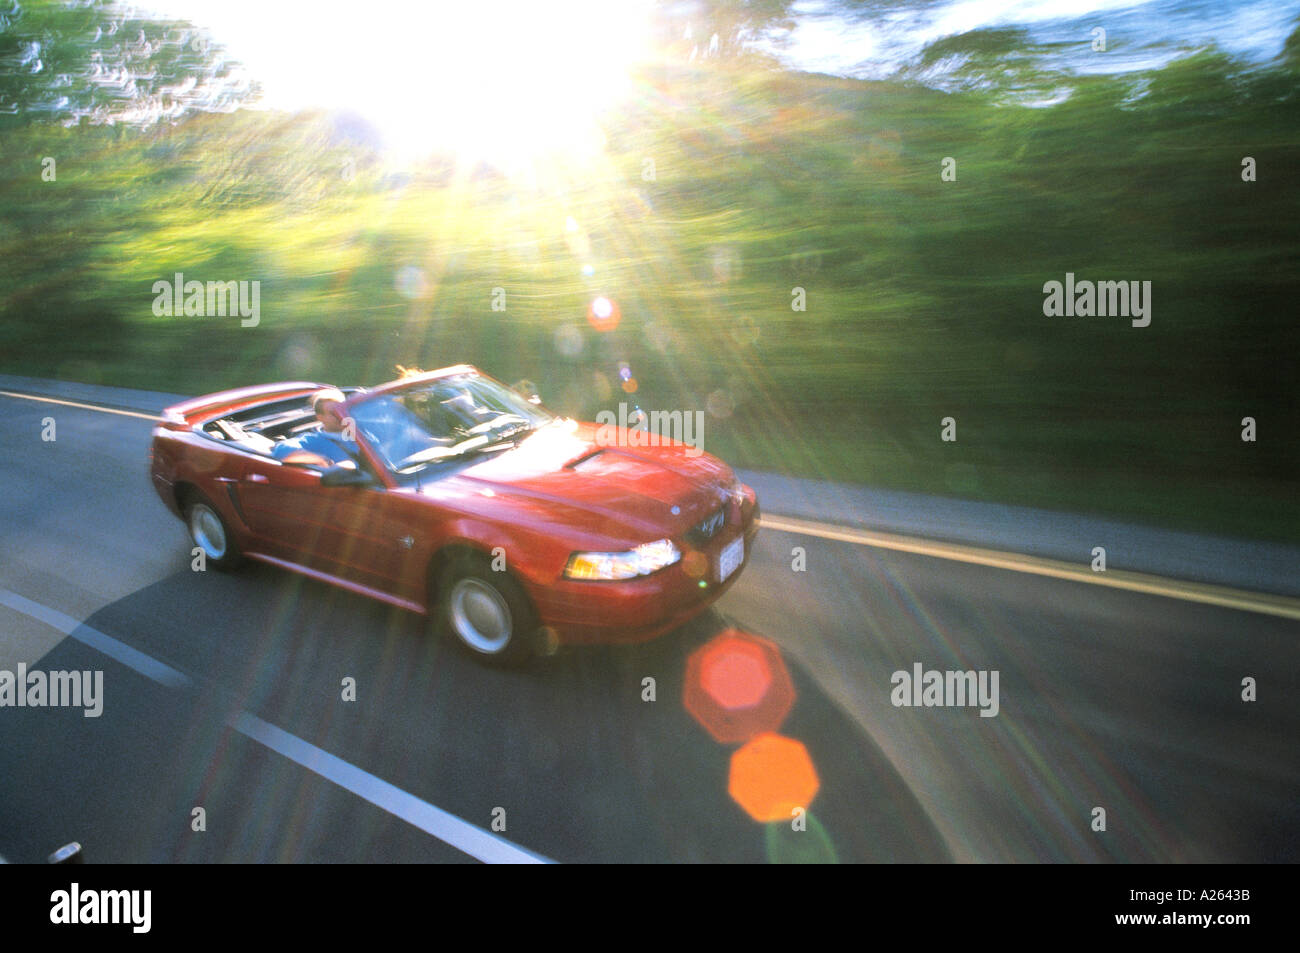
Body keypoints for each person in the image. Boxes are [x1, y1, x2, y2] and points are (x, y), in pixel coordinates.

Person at [273, 387, 359, 467]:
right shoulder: (312, 440)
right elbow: (281, 450)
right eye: (333, 413)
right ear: (320, 417)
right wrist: (321, 459)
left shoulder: (361, 432)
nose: (340, 416)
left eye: (342, 410)